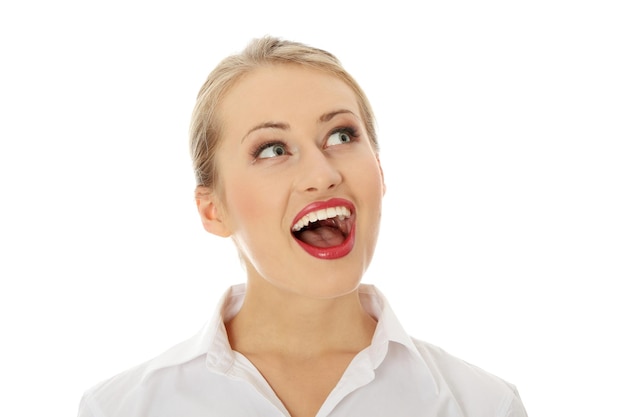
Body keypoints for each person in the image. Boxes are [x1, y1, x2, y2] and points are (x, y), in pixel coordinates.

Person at [77, 36, 528, 417]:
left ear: (380, 171)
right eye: (272, 149)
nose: (322, 174)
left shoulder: (484, 405)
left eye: (341, 135)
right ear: (213, 210)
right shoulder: (121, 408)